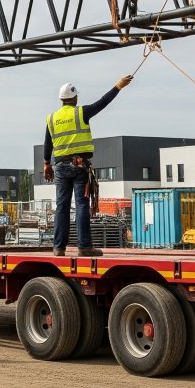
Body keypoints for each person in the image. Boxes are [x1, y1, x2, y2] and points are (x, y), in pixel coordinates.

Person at [43, 75, 133, 258]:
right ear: (74, 98)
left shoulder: (51, 118)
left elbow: (47, 143)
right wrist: (118, 86)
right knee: (82, 204)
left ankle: (58, 248)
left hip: (60, 166)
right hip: (79, 165)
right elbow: (102, 102)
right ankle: (84, 247)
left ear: (61, 99)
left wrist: (46, 164)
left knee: (62, 206)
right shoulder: (80, 112)